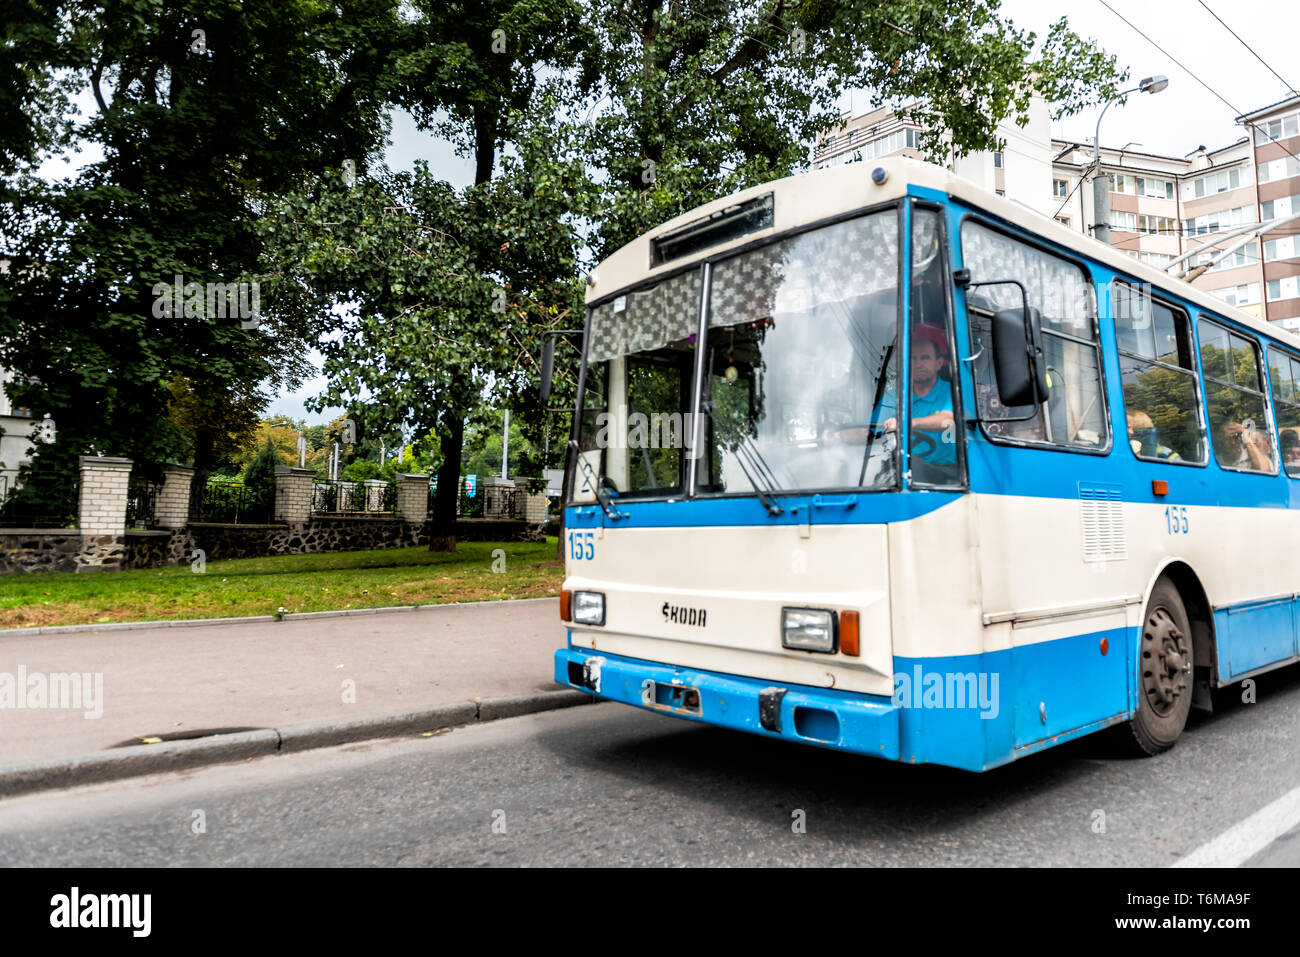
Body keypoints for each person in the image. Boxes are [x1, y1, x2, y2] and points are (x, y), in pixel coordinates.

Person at [822, 324, 956, 465]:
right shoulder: (895, 397)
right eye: (913, 359)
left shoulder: (951, 391)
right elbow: (869, 431)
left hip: (946, 473)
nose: (918, 364)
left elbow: (948, 419)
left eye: (925, 358)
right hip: (905, 471)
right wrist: (838, 436)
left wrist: (904, 423)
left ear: (939, 363)